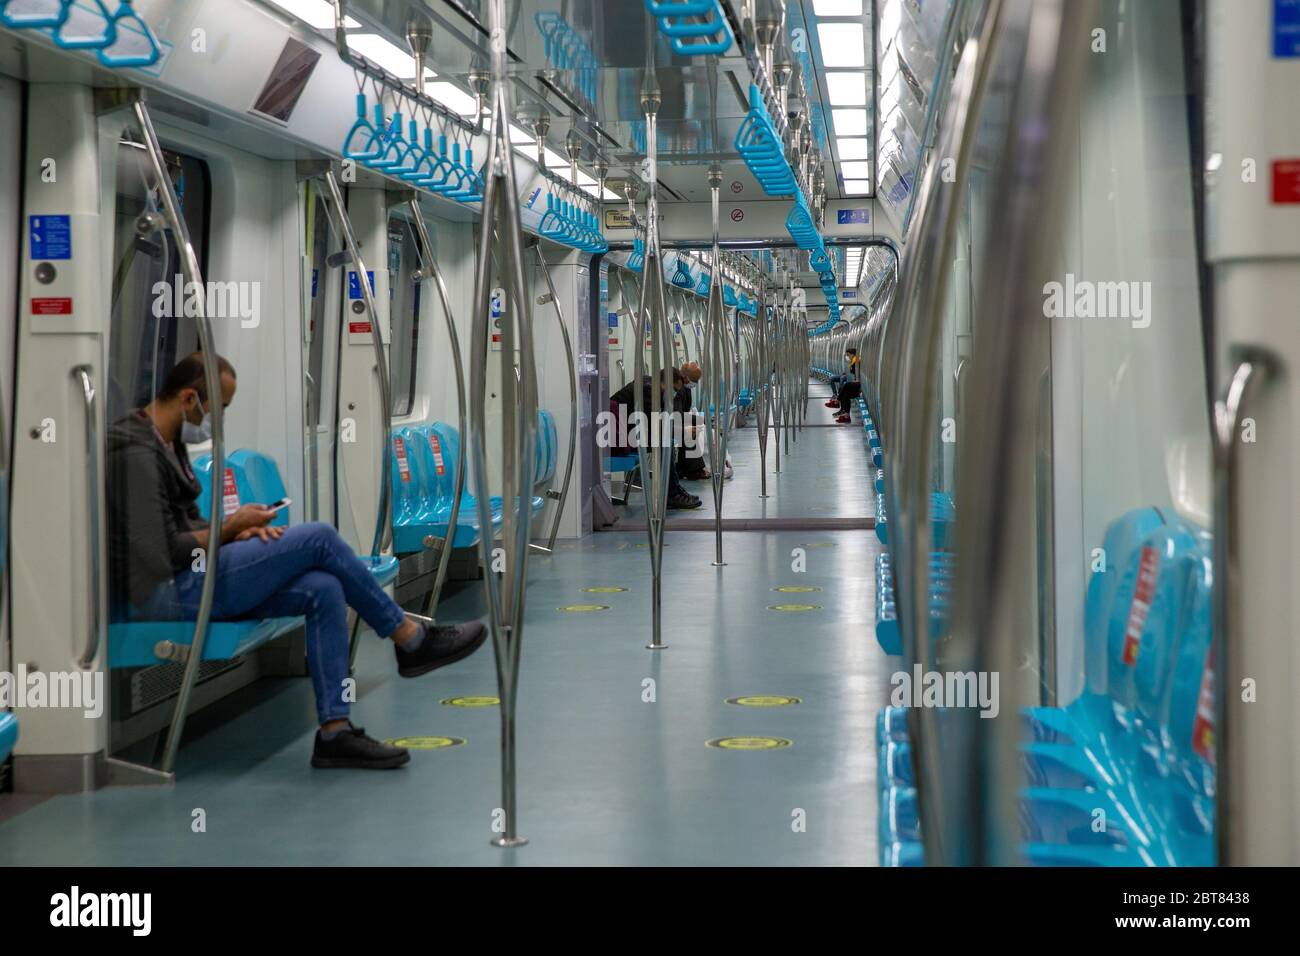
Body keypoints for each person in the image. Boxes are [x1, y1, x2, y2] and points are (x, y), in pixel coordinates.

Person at [107, 353, 488, 770]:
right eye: (218, 409)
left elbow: (188, 525)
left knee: (323, 590)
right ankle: (410, 639)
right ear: (189, 398)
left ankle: (334, 732)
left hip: (194, 574)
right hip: (166, 592)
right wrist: (231, 529)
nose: (217, 419)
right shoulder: (135, 454)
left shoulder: (166, 442)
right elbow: (160, 553)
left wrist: (239, 530)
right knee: (320, 538)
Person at [609, 367, 701, 509]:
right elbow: (654, 427)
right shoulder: (649, 391)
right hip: (616, 438)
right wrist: (683, 431)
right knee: (665, 443)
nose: (675, 394)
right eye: (675, 390)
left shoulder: (654, 388)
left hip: (627, 431)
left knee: (666, 442)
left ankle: (675, 490)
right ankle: (672, 494)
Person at [833, 348, 863, 424]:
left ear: (852, 354)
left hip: (859, 384)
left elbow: (857, 375)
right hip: (857, 384)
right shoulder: (854, 361)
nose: (847, 357)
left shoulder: (856, 361)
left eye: (848, 355)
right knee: (846, 393)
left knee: (845, 386)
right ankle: (846, 415)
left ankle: (838, 401)